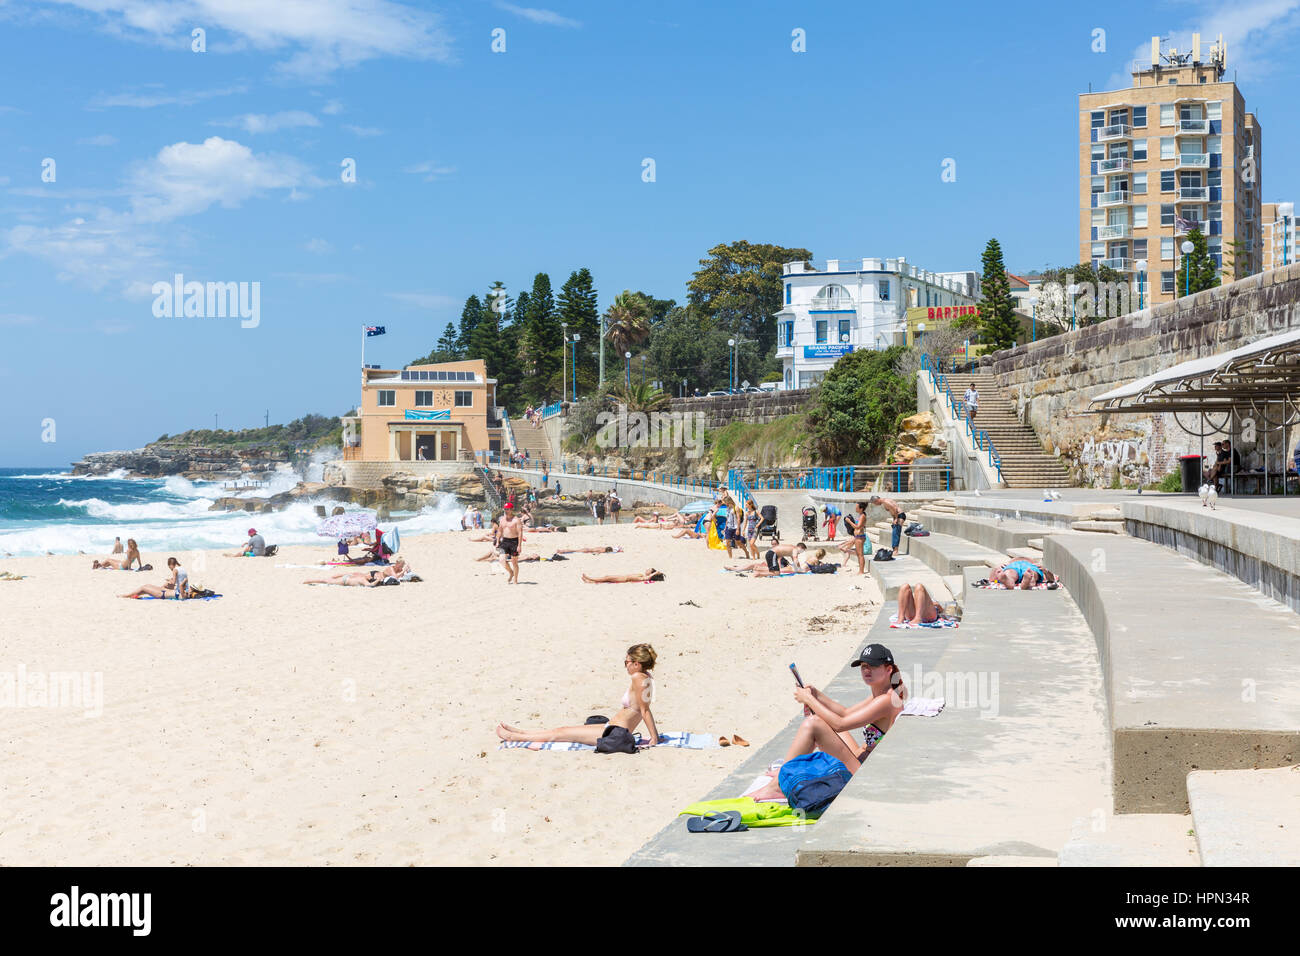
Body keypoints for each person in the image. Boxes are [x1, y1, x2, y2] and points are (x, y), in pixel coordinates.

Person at [747, 644, 905, 802]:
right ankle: (787, 770)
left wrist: (808, 699)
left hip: (865, 774)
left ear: (888, 669)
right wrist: (816, 695)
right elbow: (845, 713)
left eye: (873, 666)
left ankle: (777, 787)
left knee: (814, 724)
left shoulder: (887, 700)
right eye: (863, 666)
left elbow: (841, 723)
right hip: (860, 761)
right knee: (822, 720)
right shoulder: (881, 695)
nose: (866, 671)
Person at [496, 644, 662, 748]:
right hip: (612, 728)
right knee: (562, 731)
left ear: (636, 663)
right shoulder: (646, 678)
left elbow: (645, 710)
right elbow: (644, 709)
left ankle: (515, 737)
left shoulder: (637, 679)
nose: (625, 666)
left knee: (560, 734)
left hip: (614, 732)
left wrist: (654, 738)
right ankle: (521, 732)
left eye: (627, 662)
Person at [120, 557, 187, 599]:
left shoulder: (175, 570)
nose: (170, 569)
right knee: (146, 586)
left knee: (144, 588)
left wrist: (170, 581)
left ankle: (126, 596)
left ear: (171, 565)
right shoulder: (182, 569)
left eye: (169, 567)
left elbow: (174, 583)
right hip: (165, 591)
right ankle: (129, 595)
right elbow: (179, 583)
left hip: (161, 594)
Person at [497, 502, 524, 584]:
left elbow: (520, 533)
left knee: (514, 562)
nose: (506, 510)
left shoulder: (516, 520)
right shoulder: (502, 520)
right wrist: (497, 541)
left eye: (508, 509)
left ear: (512, 509)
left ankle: (515, 579)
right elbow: (499, 531)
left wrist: (519, 545)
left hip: (514, 542)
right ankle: (511, 572)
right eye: (505, 509)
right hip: (505, 541)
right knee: (501, 560)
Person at [991, 560, 1057, 589]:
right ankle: (1009, 580)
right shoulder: (1010, 563)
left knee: (1011, 572)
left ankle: (1010, 580)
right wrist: (997, 568)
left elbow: (1051, 579)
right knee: (1011, 572)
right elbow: (991, 579)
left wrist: (1045, 571)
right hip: (1016, 565)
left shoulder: (1033, 562)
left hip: (1025, 565)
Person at [843, 502, 869, 574]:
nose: (855, 508)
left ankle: (861, 571)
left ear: (861, 509)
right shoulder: (860, 515)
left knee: (860, 555)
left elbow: (857, 527)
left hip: (860, 537)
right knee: (858, 554)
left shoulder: (862, 516)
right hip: (858, 537)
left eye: (857, 507)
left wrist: (849, 521)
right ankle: (860, 570)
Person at [581, 568, 666, 583]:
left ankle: (590, 578)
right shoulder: (642, 575)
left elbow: (647, 578)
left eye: (649, 570)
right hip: (622, 577)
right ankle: (589, 581)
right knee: (606, 578)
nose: (647, 570)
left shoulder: (644, 577)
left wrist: (656, 573)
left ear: (650, 573)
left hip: (623, 579)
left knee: (606, 577)